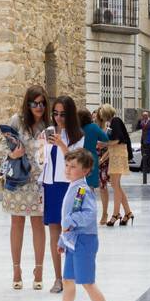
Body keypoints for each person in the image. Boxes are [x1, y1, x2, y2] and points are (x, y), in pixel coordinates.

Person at [40, 148, 116, 301]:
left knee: (87, 282)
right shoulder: (73, 187)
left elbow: (88, 215)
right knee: (68, 280)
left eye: (73, 167)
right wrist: (62, 241)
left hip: (84, 241)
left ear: (86, 170)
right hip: (73, 241)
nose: (68, 169)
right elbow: (71, 216)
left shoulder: (81, 189)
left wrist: (70, 223)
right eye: (67, 165)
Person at [3, 86, 49, 291]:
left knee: (38, 224)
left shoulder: (48, 124)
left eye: (42, 103)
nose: (39, 107)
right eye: (35, 103)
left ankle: (38, 270)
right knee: (17, 222)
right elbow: (6, 145)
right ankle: (16, 270)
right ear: (28, 103)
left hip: (40, 180)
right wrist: (13, 154)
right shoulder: (17, 120)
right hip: (18, 179)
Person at [43, 96, 85, 290]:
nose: (58, 118)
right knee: (53, 231)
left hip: (69, 186)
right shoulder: (48, 133)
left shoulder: (78, 136)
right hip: (51, 185)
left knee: (68, 230)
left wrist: (61, 144)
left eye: (62, 114)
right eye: (55, 114)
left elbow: (75, 161)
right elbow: (41, 160)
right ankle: (57, 277)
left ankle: (70, 275)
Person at [97, 104, 134, 226]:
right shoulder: (112, 123)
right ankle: (128, 212)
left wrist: (103, 144)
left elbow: (117, 140)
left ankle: (116, 214)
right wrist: (103, 158)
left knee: (115, 184)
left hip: (119, 154)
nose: (101, 116)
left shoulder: (115, 121)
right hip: (115, 154)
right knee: (115, 184)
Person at [78, 108, 108, 222]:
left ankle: (79, 212)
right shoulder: (94, 127)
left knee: (80, 188)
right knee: (90, 189)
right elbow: (105, 139)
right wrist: (98, 143)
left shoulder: (77, 129)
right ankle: (90, 214)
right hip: (92, 160)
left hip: (79, 159)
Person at [136, 110, 150, 180]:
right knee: (143, 154)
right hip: (143, 140)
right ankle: (144, 169)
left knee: (149, 155)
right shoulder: (142, 122)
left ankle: (149, 169)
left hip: (149, 140)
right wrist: (138, 121)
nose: (144, 117)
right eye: (143, 116)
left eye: (145, 115)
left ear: (148, 116)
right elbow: (137, 128)